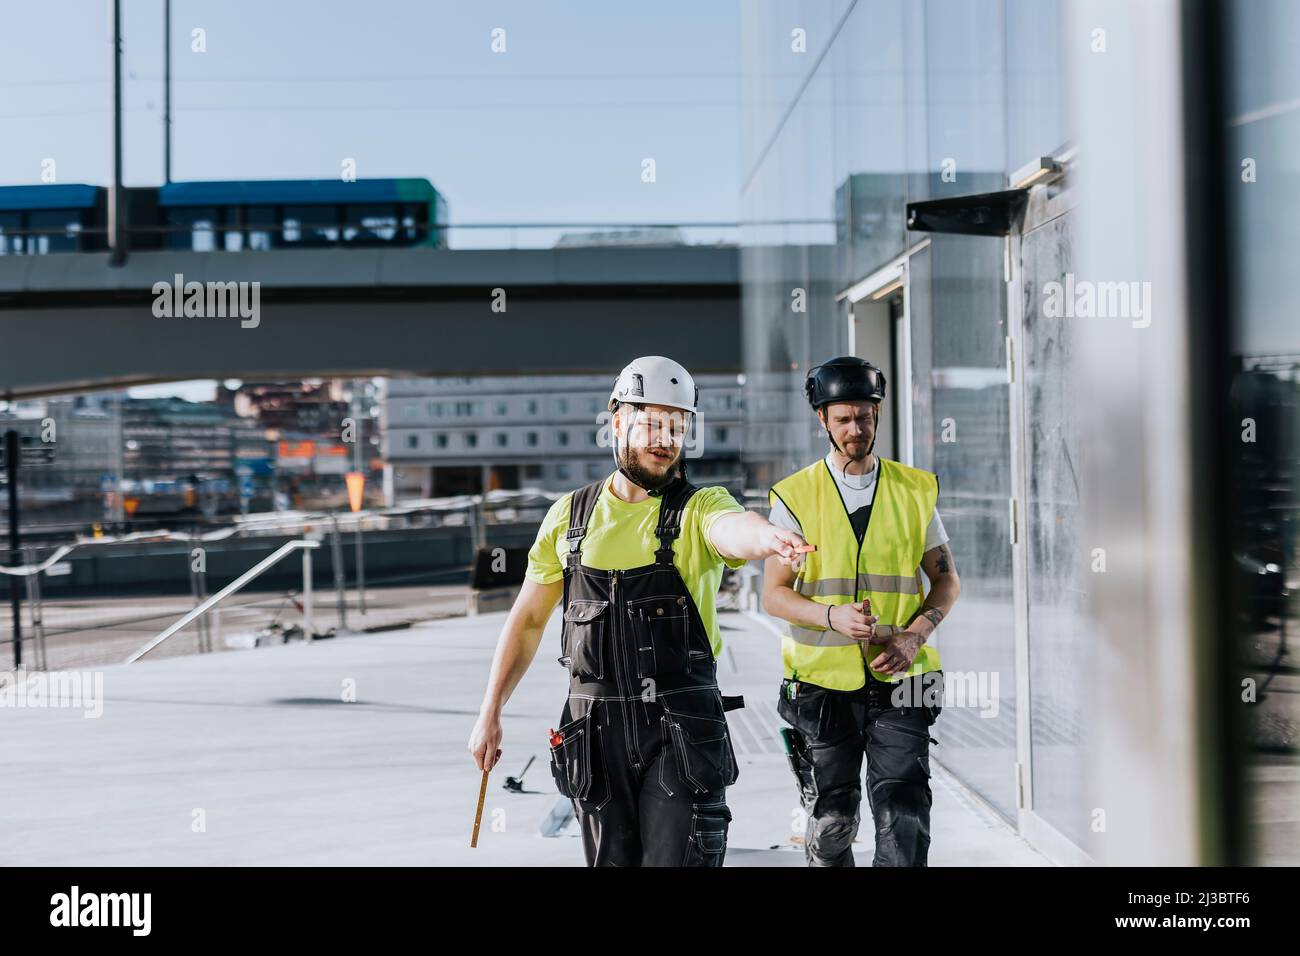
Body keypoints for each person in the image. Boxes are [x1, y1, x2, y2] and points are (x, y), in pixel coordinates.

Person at [469, 355, 811, 866]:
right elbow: (529, 620)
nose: (664, 438)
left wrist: (768, 538)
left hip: (680, 728)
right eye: (651, 422)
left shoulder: (699, 507)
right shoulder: (570, 518)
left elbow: (735, 527)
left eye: (676, 426)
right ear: (617, 421)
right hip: (594, 732)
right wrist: (489, 712)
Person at [762, 356, 961, 866]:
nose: (856, 429)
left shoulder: (915, 491)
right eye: (844, 418)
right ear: (823, 421)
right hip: (821, 684)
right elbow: (774, 594)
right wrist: (832, 618)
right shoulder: (794, 496)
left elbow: (946, 580)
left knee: (904, 813)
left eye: (865, 416)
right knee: (834, 821)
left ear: (878, 415)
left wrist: (914, 636)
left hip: (904, 679)